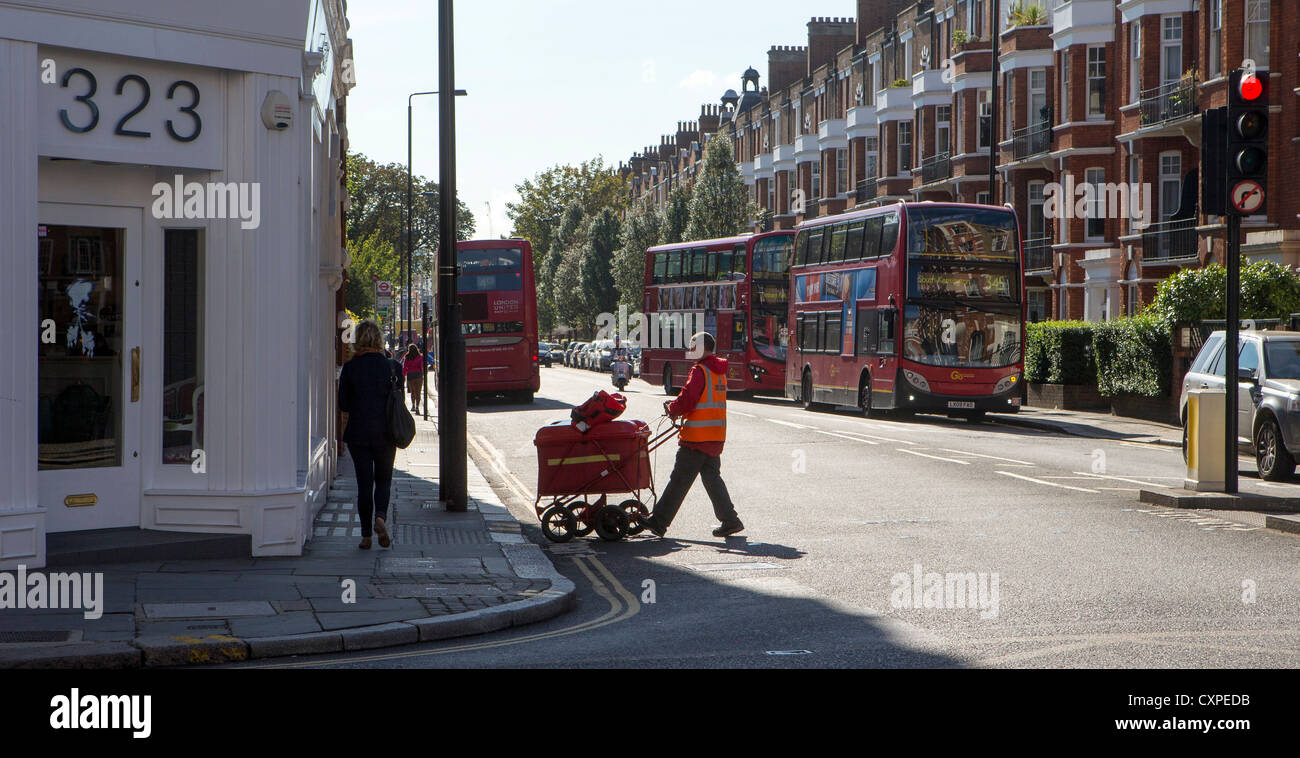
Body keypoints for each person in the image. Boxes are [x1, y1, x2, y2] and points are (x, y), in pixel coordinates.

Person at [641, 331, 744, 539]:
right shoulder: (719, 371)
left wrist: (672, 408)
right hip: (715, 435)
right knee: (712, 479)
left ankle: (659, 522)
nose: (690, 350)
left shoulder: (700, 371)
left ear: (703, 348)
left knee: (679, 479)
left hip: (697, 437)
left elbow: (688, 399)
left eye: (693, 346)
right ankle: (730, 520)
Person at [337, 319, 400, 550]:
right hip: (386, 433)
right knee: (383, 480)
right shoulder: (393, 367)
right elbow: (397, 399)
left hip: (359, 433)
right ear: (379, 339)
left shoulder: (350, 368)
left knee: (364, 485)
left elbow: (343, 404)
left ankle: (365, 536)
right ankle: (380, 518)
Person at [402, 344, 424, 411]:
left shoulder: (407, 357)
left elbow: (405, 367)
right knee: (418, 391)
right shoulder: (420, 357)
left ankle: (413, 405)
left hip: (410, 375)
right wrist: (422, 373)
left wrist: (404, 375)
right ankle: (417, 406)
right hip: (418, 375)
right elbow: (421, 366)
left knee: (412, 391)